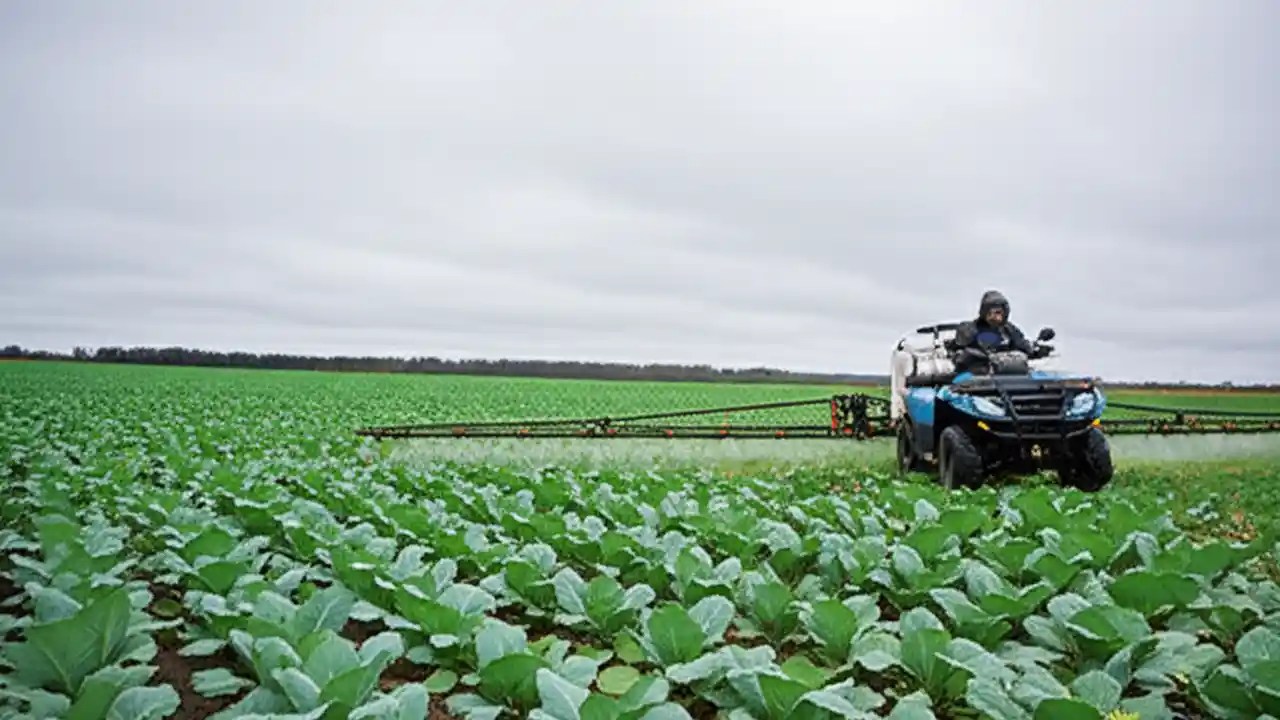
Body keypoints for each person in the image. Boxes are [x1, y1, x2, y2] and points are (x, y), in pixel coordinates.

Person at [950, 290, 1043, 372]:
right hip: (977, 375)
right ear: (984, 312)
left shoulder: (1009, 330)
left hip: (1005, 374)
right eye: (990, 312)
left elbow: (1023, 345)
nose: (994, 316)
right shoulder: (970, 328)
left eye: (998, 312)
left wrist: (1037, 351)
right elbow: (957, 349)